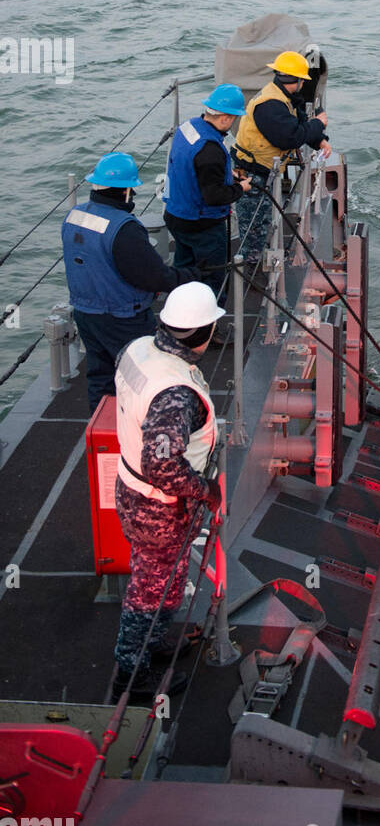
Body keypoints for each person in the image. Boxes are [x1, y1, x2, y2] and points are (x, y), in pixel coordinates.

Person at [111, 283, 225, 700]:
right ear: (202, 333)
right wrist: (206, 490)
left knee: (161, 576)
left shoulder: (138, 348)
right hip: (159, 508)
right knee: (150, 587)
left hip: (131, 492)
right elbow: (161, 465)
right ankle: (130, 673)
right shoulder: (176, 394)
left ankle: (152, 642)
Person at [61, 152, 197, 412]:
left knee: (100, 378)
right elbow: (153, 276)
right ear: (124, 192)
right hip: (124, 318)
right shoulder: (124, 228)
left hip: (85, 313)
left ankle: (102, 430)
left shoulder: (73, 216)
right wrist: (190, 277)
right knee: (142, 377)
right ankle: (139, 433)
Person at [233, 51, 333, 267]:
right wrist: (318, 124)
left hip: (265, 172)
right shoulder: (270, 105)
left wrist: (319, 140)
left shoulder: (283, 97)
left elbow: (298, 123)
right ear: (296, 80)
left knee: (264, 221)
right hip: (252, 173)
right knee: (253, 226)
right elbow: (290, 137)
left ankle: (260, 260)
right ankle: (250, 272)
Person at [163, 85, 252, 300]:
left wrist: (224, 173)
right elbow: (214, 197)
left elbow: (192, 166)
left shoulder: (188, 127)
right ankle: (209, 326)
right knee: (213, 278)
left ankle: (180, 310)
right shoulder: (211, 150)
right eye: (234, 118)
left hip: (176, 216)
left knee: (184, 269)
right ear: (224, 118)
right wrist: (240, 188)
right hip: (201, 225)